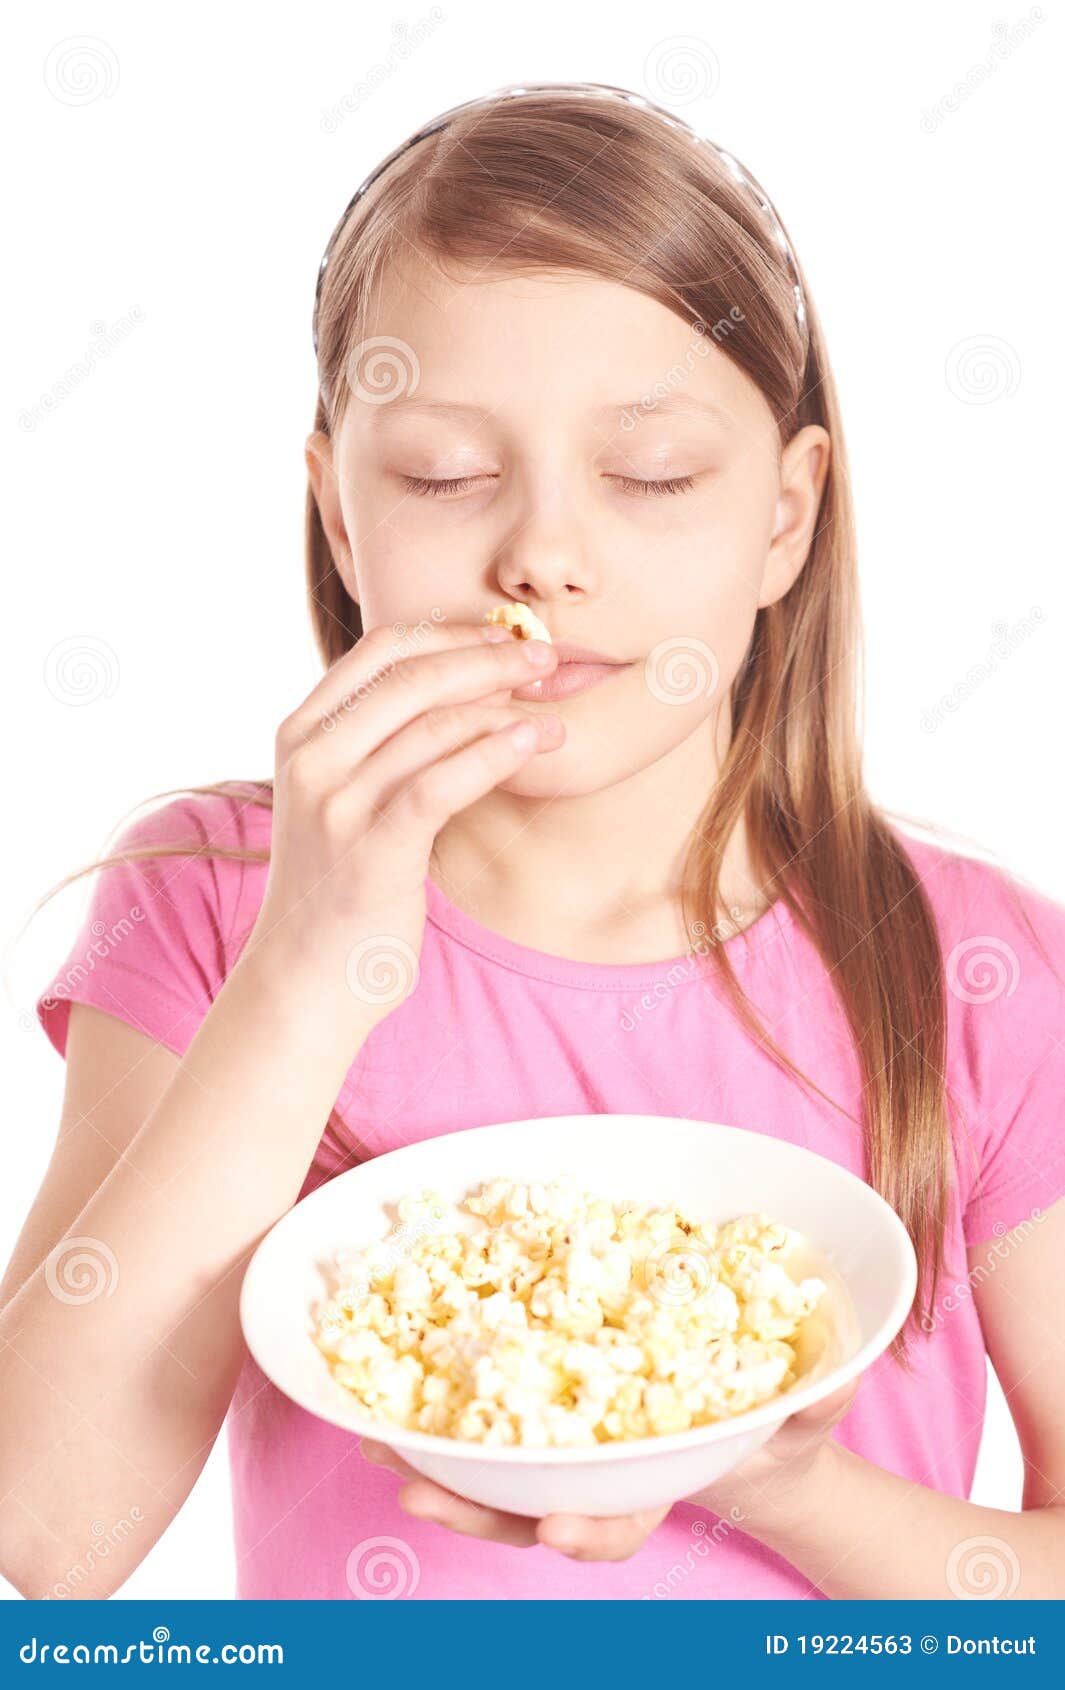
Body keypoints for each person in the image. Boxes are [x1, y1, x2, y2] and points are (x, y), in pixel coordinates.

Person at [3, 83, 1064, 1602]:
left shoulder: (986, 971)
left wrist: (791, 1485)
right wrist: (311, 966)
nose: (542, 557)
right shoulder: (214, 906)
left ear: (784, 515)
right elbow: (46, 1529)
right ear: (340, 516)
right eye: (442, 474)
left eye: (649, 478)